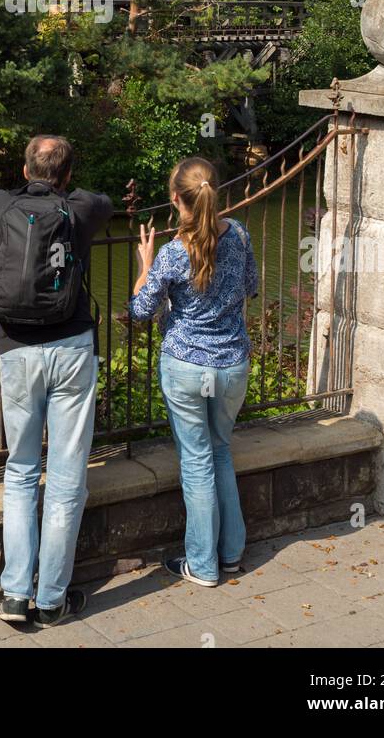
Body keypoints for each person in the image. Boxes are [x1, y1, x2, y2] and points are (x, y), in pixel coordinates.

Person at [0, 135, 113, 626]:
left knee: (19, 472)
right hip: (72, 350)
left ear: (24, 168)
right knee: (65, 475)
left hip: (15, 352)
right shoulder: (80, 211)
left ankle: (14, 594)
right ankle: (52, 599)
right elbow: (107, 202)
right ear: (69, 175)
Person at [128, 156, 259, 586]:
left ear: (175, 199)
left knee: (198, 461)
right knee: (221, 451)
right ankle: (232, 553)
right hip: (230, 365)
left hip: (186, 366)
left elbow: (141, 310)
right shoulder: (238, 234)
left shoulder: (170, 253)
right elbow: (250, 289)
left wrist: (145, 266)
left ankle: (202, 565)